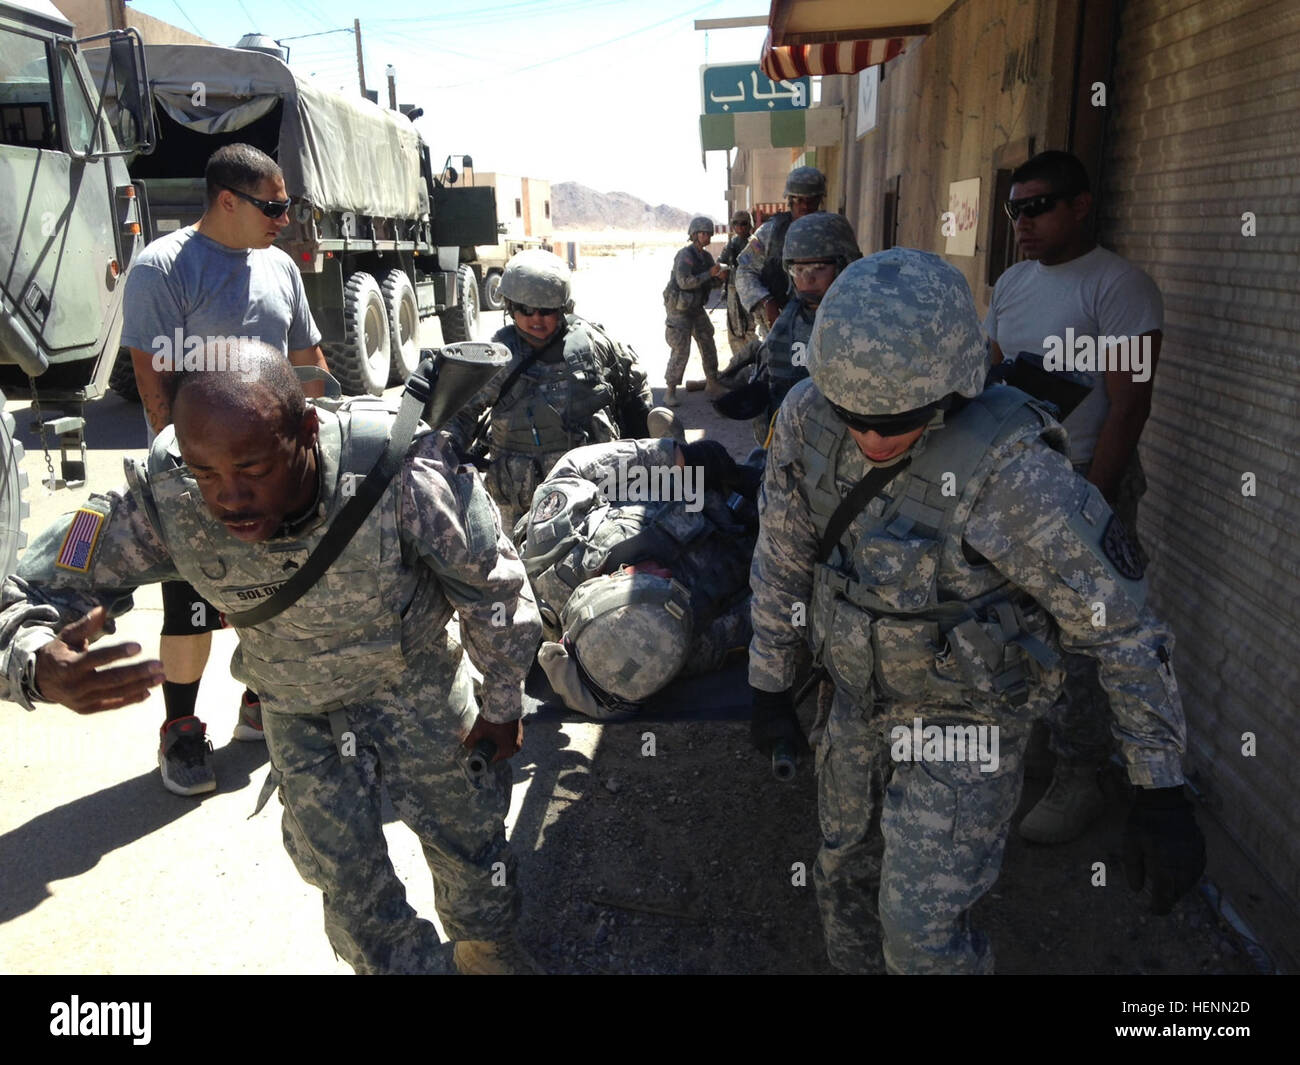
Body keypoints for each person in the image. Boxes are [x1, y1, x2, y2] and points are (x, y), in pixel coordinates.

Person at [0, 343, 544, 975]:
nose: (229, 496)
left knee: (471, 842)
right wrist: (35, 661)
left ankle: (487, 956)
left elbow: (492, 587)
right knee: (347, 880)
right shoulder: (168, 496)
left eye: (253, 468)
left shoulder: (398, 468)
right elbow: (32, 587)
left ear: (305, 432)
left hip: (416, 685)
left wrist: (502, 701)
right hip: (298, 712)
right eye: (207, 473)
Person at [748, 248, 1204, 974]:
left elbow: (1122, 626)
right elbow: (783, 556)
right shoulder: (807, 418)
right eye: (853, 416)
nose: (871, 438)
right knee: (844, 880)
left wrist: (1159, 786)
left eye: (895, 420)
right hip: (855, 702)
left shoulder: (1015, 470)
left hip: (964, 722)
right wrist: (770, 681)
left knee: (920, 935)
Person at [120, 142, 332, 795]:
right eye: (272, 206)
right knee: (189, 608)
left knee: (274, 600)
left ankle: (258, 703)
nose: (283, 219)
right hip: (200, 473)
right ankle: (182, 730)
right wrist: (187, 474)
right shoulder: (162, 270)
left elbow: (309, 362)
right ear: (227, 200)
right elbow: (154, 384)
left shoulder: (280, 268)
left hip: (275, 472)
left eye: (288, 205)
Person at [984, 150, 1165, 844]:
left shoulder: (1122, 287)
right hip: (1018, 479)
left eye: (1038, 206)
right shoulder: (1012, 283)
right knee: (1021, 622)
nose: (1023, 222)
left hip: (1088, 477)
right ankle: (1036, 744)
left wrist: (1094, 502)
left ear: (1080, 206)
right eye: (1015, 209)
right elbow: (995, 369)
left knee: (1088, 632)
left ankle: (1082, 772)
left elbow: (1128, 407)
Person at [517, 437, 759, 717]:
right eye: (670, 591)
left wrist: (674, 455)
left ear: (611, 579)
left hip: (656, 486)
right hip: (735, 530)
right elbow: (764, 609)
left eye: (649, 580)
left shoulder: (554, 556)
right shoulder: (678, 647)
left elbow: (572, 468)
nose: (667, 574)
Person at [449, 249, 658, 535]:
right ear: (510, 308)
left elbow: (634, 391)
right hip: (518, 501)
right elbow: (462, 414)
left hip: (589, 492)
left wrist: (645, 460)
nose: (537, 319)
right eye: (525, 309)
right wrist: (444, 457)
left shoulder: (592, 344)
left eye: (546, 310)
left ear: (563, 308)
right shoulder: (497, 357)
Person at [715, 211, 861, 446]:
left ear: (844, 263)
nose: (806, 280)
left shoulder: (862, 322)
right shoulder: (792, 316)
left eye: (818, 268)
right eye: (798, 270)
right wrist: (765, 368)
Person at [734, 166, 826, 332]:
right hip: (779, 323)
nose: (805, 206)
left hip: (823, 322)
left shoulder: (832, 232)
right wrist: (766, 300)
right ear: (790, 200)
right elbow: (745, 271)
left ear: (820, 200)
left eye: (811, 200)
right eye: (799, 200)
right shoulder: (770, 233)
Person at [662, 216, 727, 407]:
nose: (707, 236)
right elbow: (684, 282)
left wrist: (720, 278)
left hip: (695, 306)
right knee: (681, 347)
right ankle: (670, 390)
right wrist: (710, 273)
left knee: (707, 338)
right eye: (703, 233)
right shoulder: (685, 255)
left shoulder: (705, 257)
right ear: (694, 235)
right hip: (680, 308)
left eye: (708, 233)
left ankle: (712, 382)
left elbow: (709, 282)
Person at [719, 210, 757, 363]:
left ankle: (755, 365)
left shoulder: (755, 243)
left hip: (752, 291)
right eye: (736, 223)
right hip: (734, 292)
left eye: (743, 223)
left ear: (750, 225)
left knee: (752, 329)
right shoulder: (731, 244)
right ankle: (740, 365)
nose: (740, 227)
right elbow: (721, 263)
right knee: (735, 331)